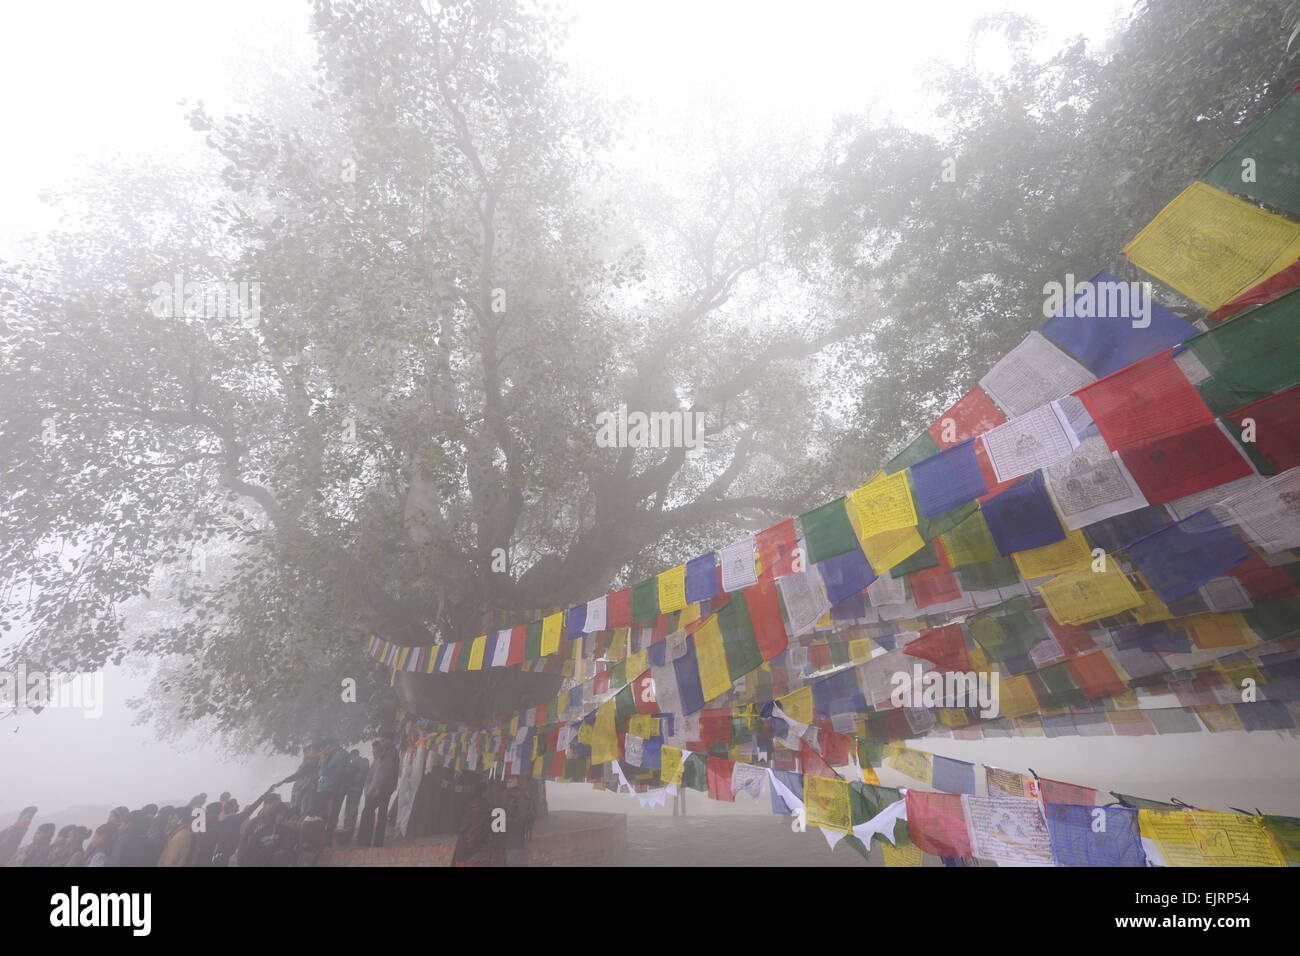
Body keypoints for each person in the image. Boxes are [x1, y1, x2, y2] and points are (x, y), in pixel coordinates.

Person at [357, 738, 398, 847]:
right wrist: (367, 789)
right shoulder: (375, 761)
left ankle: (378, 843)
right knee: (367, 814)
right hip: (371, 793)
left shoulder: (388, 762)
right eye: (373, 752)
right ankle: (365, 840)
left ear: (382, 751)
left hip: (383, 793)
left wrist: (378, 790)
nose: (374, 754)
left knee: (381, 817)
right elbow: (369, 777)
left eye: (376, 752)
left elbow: (386, 779)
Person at [451, 776, 495, 867]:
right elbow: (479, 823)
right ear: (483, 791)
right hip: (475, 843)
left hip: (466, 842)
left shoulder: (473, 803)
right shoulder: (482, 804)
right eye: (487, 790)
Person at [314, 739, 349, 843]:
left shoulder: (338, 755)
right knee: (328, 813)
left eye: (326, 747)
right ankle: (325, 837)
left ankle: (327, 839)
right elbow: (321, 771)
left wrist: (323, 759)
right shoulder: (336, 755)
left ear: (331, 746)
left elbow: (323, 771)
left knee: (330, 814)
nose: (324, 750)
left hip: (332, 788)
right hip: (330, 788)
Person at [277, 743, 321, 817]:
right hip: (303, 788)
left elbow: (299, 774)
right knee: (298, 809)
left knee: (303, 810)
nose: (309, 752)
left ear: (315, 751)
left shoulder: (313, 761)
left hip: (307, 788)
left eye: (310, 750)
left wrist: (283, 781)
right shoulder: (310, 761)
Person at [502, 778, 534, 867]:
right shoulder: (512, 800)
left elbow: (521, 819)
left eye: (507, 789)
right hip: (509, 840)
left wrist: (505, 821)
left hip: (515, 840)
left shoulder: (520, 800)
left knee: (513, 862)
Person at [341, 748, 369, 845]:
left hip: (354, 788)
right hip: (355, 789)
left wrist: (353, 782)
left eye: (351, 757)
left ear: (353, 755)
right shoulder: (362, 762)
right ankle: (348, 827)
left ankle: (349, 828)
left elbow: (360, 775)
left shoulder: (358, 761)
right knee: (351, 808)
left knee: (351, 808)